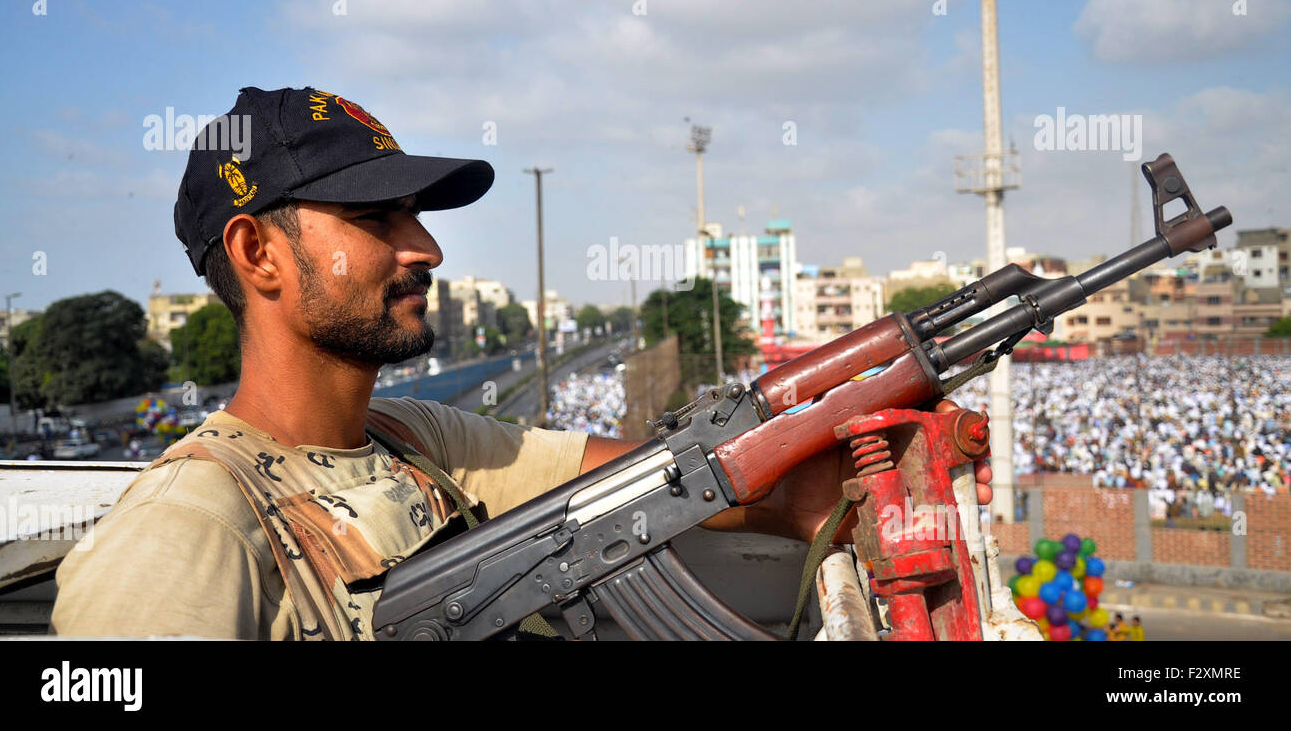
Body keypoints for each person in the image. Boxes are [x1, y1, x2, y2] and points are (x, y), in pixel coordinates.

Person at [50, 87, 991, 640]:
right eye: (378, 220)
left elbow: (667, 482)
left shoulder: (414, 442)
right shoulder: (187, 532)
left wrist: (827, 475)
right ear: (259, 254)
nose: (426, 247)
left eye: (416, 215)